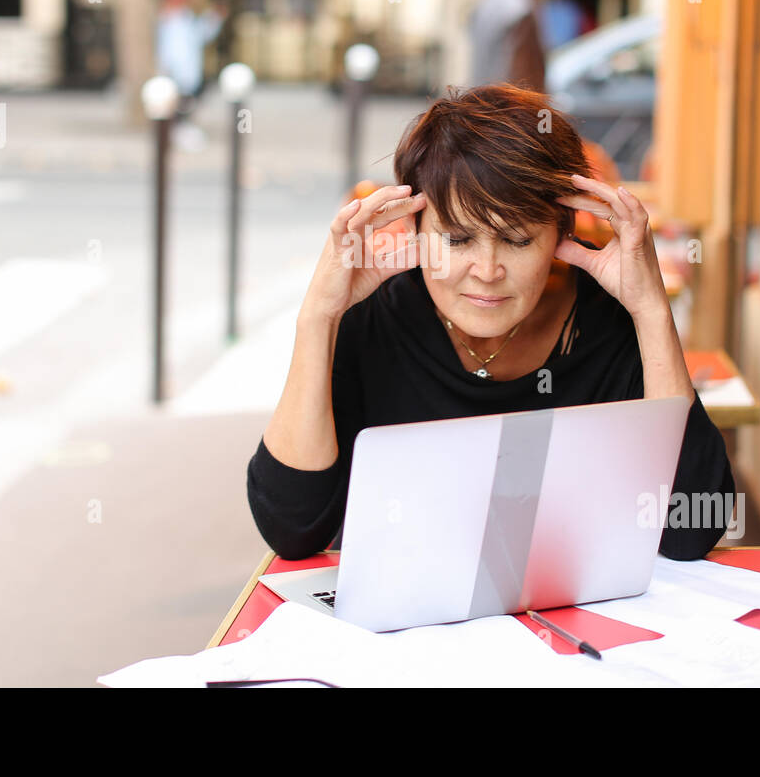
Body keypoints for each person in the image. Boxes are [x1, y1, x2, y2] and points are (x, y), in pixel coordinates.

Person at [247, 84, 734, 562]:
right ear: (415, 227)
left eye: (519, 241)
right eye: (457, 240)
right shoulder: (375, 317)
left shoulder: (605, 319)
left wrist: (649, 311)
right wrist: (319, 317)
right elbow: (293, 529)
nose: (487, 271)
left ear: (562, 230)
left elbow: (690, 530)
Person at [467, 0, 559, 92]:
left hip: (484, 104)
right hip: (509, 108)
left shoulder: (488, 0)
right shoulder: (521, 7)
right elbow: (526, 78)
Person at [155, 0, 226, 151]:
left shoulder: (187, 16)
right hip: (172, 71)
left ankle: (180, 132)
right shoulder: (163, 17)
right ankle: (174, 134)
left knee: (187, 103)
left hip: (189, 71)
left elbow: (200, 36)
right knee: (175, 105)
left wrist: (215, 19)